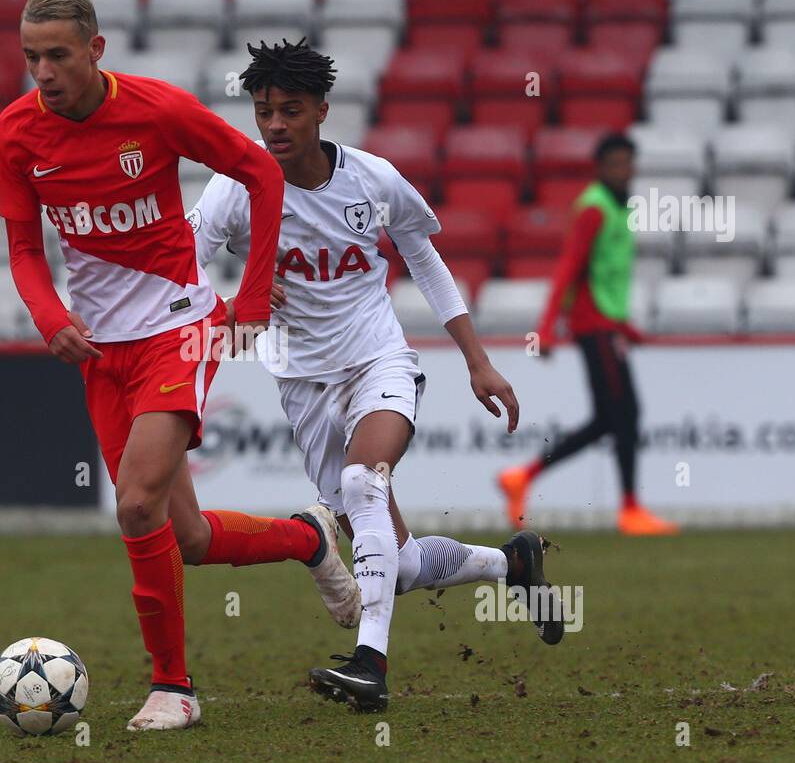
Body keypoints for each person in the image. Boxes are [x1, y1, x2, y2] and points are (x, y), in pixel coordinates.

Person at [0, 0, 359, 733]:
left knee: (133, 505)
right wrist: (49, 316)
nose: (44, 72)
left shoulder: (156, 110)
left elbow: (260, 173)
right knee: (184, 538)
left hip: (179, 326)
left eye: (58, 55)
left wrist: (251, 300)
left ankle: (175, 688)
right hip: (100, 348)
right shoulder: (14, 133)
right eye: (31, 57)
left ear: (96, 50)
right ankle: (311, 537)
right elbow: (26, 249)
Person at [189, 39, 565, 713]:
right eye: (264, 110)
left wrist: (477, 359)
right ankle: (512, 563)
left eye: (291, 111)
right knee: (401, 558)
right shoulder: (235, 188)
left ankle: (370, 665)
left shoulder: (372, 180)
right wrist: (229, 300)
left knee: (365, 481)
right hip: (302, 385)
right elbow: (182, 259)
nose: (275, 125)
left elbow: (424, 258)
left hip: (377, 362)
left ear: (322, 112)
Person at [496, 133, 678, 536]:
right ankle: (629, 508)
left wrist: (626, 326)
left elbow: (604, 276)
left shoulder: (618, 209)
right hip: (593, 328)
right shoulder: (594, 209)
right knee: (624, 416)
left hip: (607, 326)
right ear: (601, 168)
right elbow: (569, 268)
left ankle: (522, 478)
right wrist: (546, 327)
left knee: (611, 418)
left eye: (628, 163)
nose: (623, 170)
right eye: (615, 163)